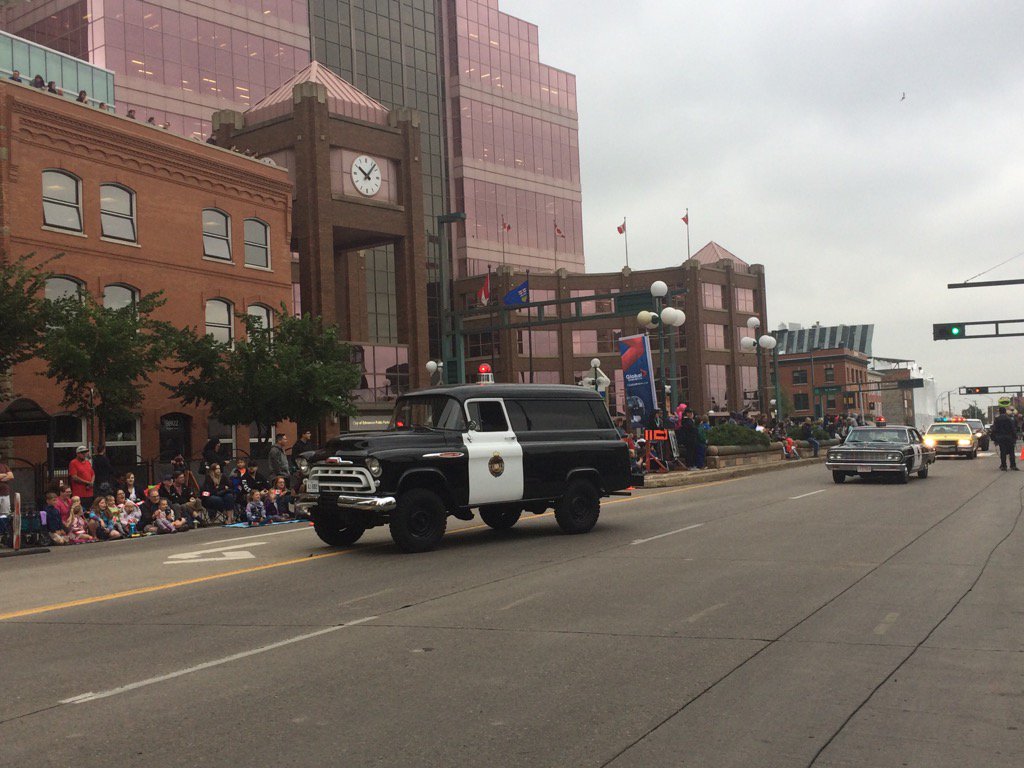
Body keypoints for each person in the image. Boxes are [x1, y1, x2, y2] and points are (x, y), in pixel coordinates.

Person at [990, 406, 1018, 471]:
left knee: (1003, 451)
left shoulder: (997, 419)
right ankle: (1013, 465)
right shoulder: (1009, 419)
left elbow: (994, 429)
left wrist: (994, 438)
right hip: (1009, 437)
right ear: (1005, 412)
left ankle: (1003, 466)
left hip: (1001, 438)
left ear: (999, 412)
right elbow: (1012, 428)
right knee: (1011, 452)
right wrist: (1015, 437)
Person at [69, 446, 96, 510]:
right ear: (78, 454)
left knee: (89, 511)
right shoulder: (73, 463)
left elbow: (93, 474)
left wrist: (91, 483)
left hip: (89, 493)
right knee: (80, 512)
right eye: (82, 453)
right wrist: (87, 482)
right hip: (79, 494)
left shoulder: (87, 463)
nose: (84, 454)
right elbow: (74, 477)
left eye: (86, 452)